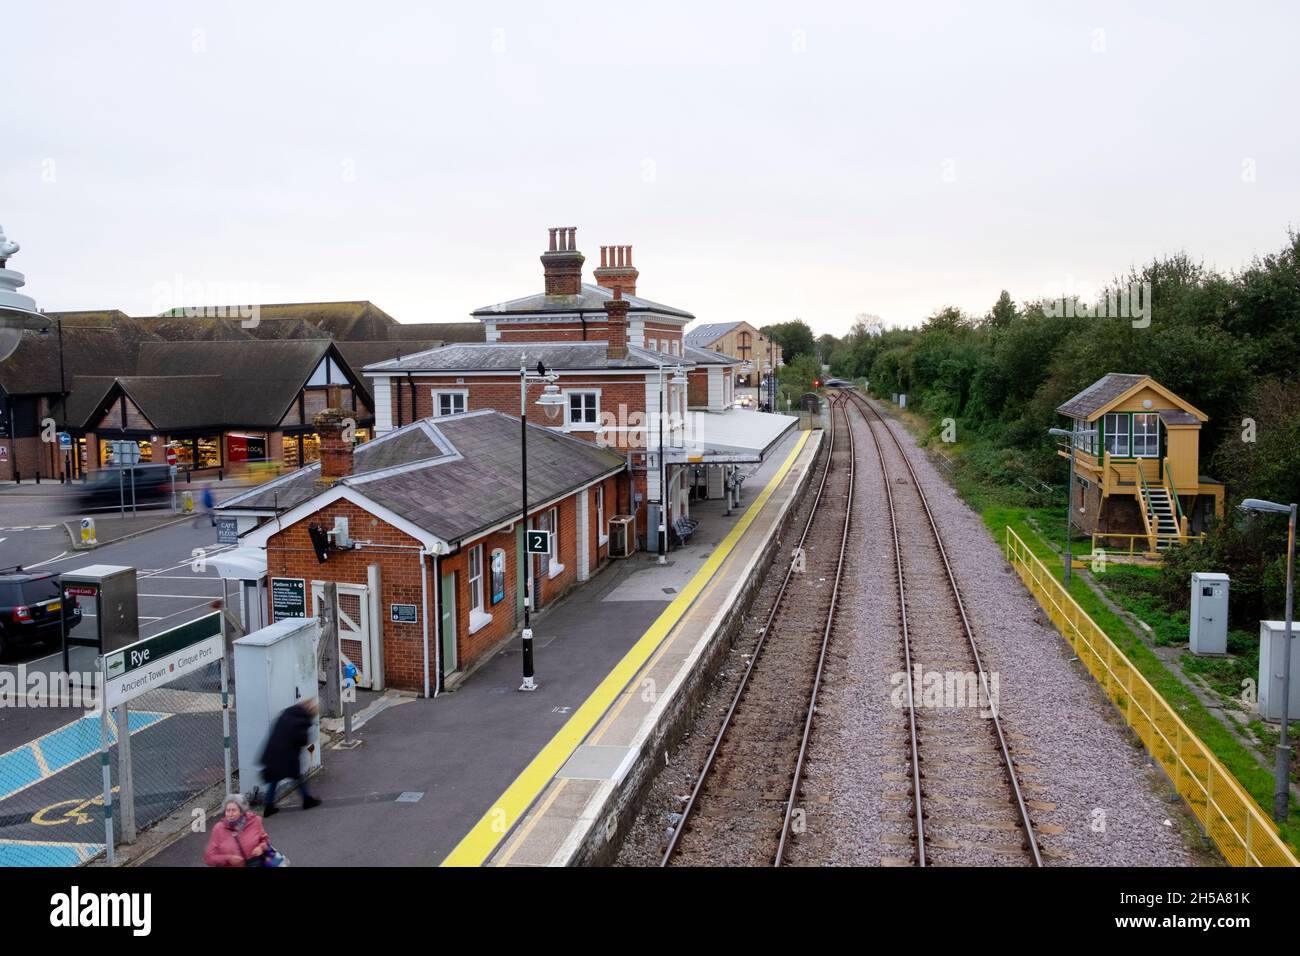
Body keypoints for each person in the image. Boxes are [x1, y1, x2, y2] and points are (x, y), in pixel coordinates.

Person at [260, 697, 321, 817]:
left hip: (273, 750)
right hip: (287, 754)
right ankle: (307, 800)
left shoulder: (289, 712)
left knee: (275, 778)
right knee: (297, 777)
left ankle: (268, 806)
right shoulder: (303, 721)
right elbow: (302, 740)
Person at [204, 794, 269, 867]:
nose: (230, 814)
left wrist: (261, 847)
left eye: (234, 810)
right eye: (228, 811)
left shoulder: (255, 821)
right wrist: (228, 859)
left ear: (241, 812)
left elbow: (265, 840)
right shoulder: (218, 829)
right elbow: (209, 857)